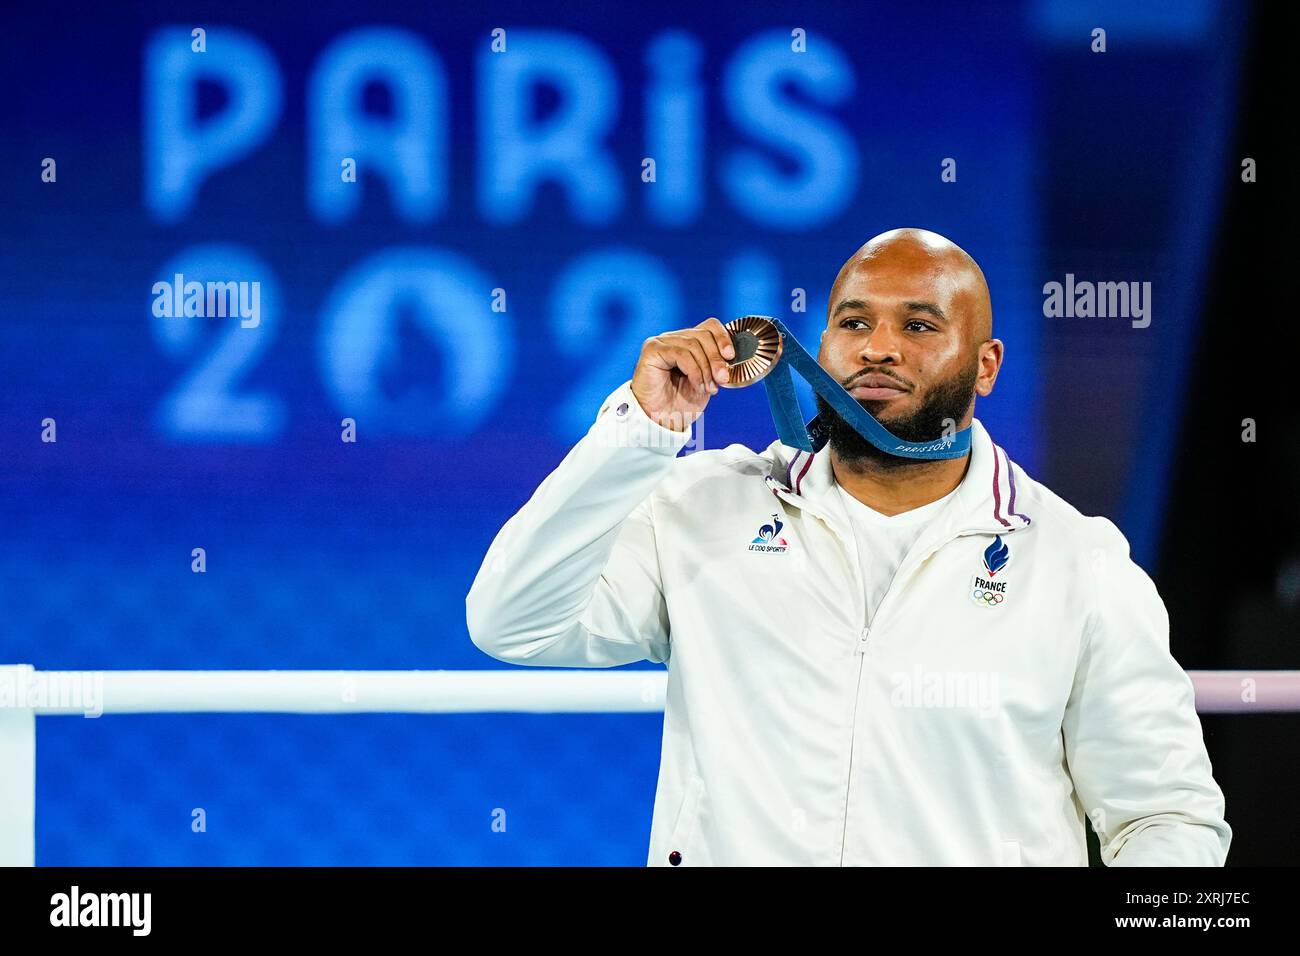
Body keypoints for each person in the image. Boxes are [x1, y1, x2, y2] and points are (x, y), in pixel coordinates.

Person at [465, 228, 1231, 866]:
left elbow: (1164, 819)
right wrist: (640, 430)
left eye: (919, 325)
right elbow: (512, 623)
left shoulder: (1079, 564)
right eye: (854, 323)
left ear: (987, 366)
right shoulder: (704, 509)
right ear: (821, 343)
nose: (878, 349)